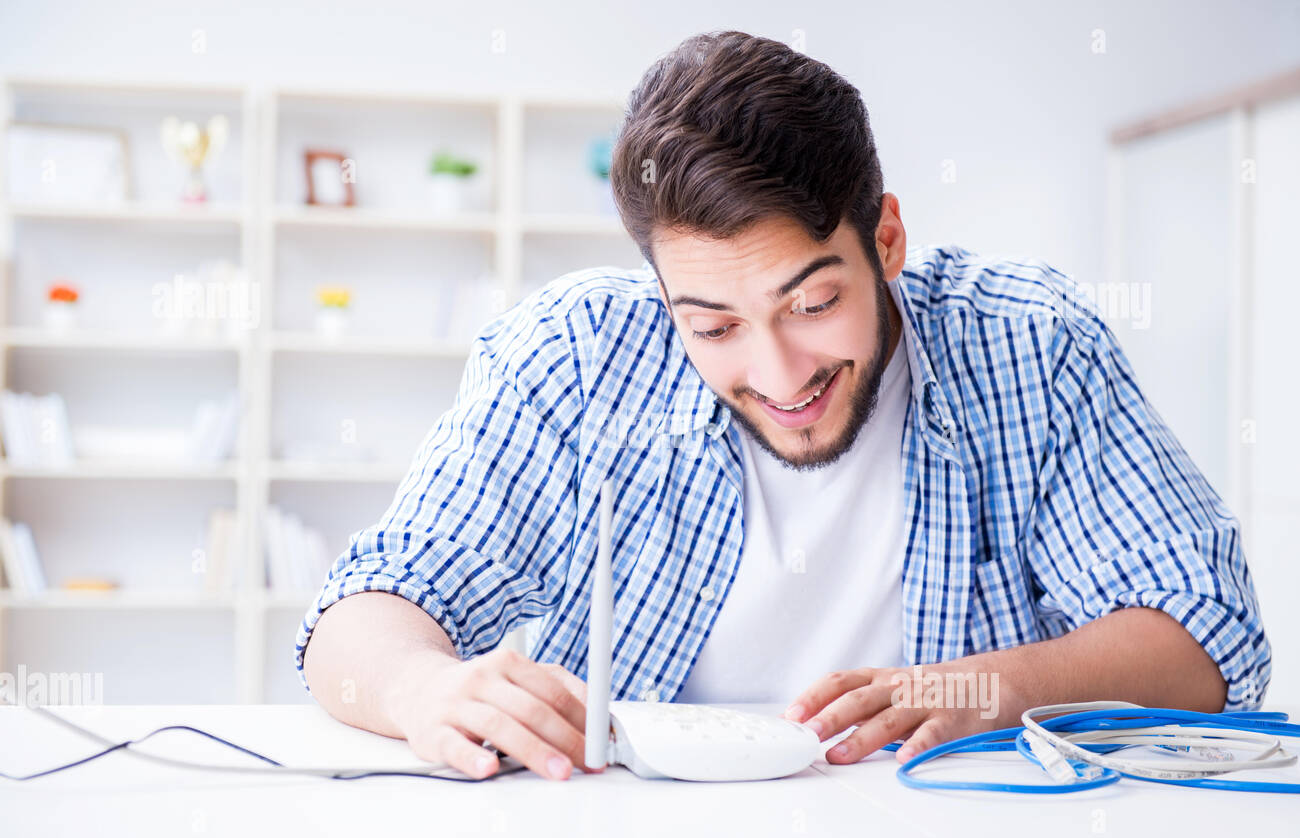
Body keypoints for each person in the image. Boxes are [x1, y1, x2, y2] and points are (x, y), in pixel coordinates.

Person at [297, 30, 1270, 782]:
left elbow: (1209, 637)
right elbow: (363, 610)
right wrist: (422, 686)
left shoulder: (1030, 346)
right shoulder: (574, 358)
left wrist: (997, 690)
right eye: (712, 326)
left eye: (812, 304)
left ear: (885, 239)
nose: (777, 372)